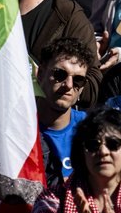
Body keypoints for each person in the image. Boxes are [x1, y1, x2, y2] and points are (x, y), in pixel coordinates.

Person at [35, 37, 95, 176]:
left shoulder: (91, 129)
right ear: (41, 74)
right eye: (60, 74)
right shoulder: (16, 127)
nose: (68, 85)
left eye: (78, 80)